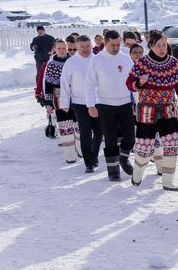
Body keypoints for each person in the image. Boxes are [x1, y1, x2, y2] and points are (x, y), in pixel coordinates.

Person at [126, 30, 178, 190]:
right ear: (151, 46)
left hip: (169, 109)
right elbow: (129, 83)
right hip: (147, 110)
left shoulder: (173, 63)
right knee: (144, 147)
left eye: (164, 45)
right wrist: (139, 82)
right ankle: (137, 175)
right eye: (158, 45)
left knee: (171, 145)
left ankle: (167, 181)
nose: (162, 48)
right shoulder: (142, 63)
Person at [84, 30, 136, 181]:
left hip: (125, 103)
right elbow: (89, 84)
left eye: (118, 44)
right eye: (112, 45)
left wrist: (138, 102)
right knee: (111, 139)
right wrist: (90, 105)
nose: (116, 48)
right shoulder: (97, 60)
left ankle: (123, 158)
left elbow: (134, 83)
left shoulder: (126, 59)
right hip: (105, 105)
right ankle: (113, 171)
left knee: (130, 137)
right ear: (105, 43)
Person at [58, 35, 103, 173]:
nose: (85, 49)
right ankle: (89, 163)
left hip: (97, 101)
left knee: (100, 131)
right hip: (79, 102)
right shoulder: (71, 62)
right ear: (77, 47)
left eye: (88, 46)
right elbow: (65, 84)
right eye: (82, 47)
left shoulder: (97, 59)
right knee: (85, 132)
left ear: (91, 46)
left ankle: (94, 155)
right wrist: (64, 102)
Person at [35, 38, 78, 162]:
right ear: (55, 49)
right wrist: (48, 103)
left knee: (77, 123)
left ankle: (80, 148)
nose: (62, 50)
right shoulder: (51, 63)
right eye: (59, 48)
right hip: (59, 97)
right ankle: (69, 155)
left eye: (64, 48)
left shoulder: (73, 61)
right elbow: (47, 85)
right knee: (65, 125)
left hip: (75, 97)